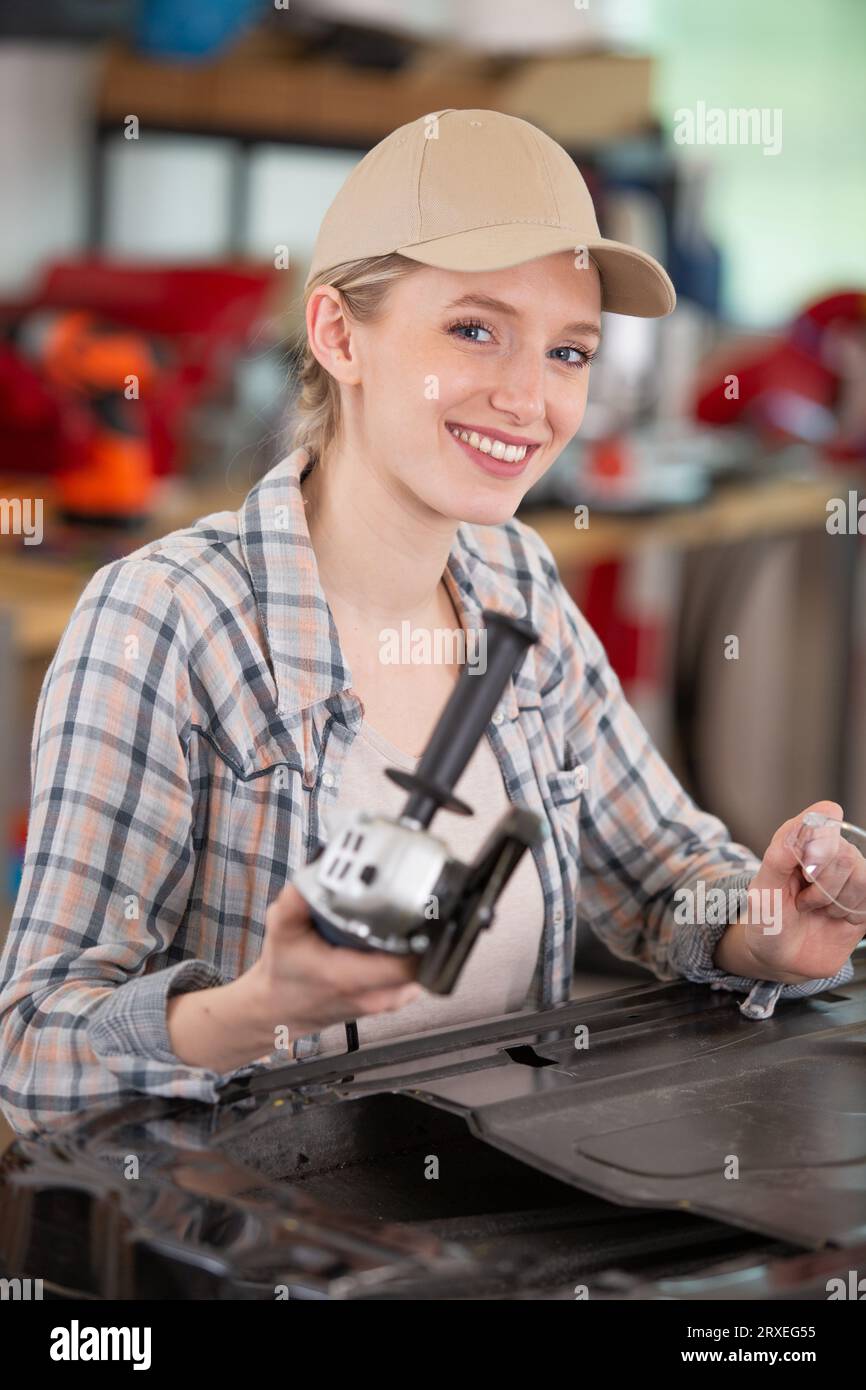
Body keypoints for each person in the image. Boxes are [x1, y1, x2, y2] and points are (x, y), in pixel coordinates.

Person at [0, 109, 858, 1139]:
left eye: (569, 351)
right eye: (472, 329)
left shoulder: (519, 587)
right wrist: (247, 1012)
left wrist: (763, 925)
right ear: (336, 333)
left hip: (497, 1218)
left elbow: (666, 880)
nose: (528, 398)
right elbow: (35, 1050)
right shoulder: (167, 621)